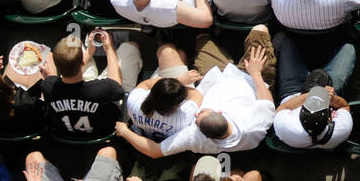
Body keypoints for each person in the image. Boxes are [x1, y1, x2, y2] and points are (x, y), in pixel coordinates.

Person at [114, 41, 276, 158]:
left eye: (198, 116)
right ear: (220, 113)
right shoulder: (187, 119)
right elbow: (268, 104)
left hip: (217, 75)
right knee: (259, 30)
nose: (197, 114)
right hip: (251, 78)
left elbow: (156, 151)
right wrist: (255, 73)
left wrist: (124, 131)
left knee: (193, 44)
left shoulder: (193, 135)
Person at [39, 30, 128, 141]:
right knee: (129, 48)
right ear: (82, 63)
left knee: (71, 47)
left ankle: (86, 54)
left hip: (69, 135)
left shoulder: (48, 85)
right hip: (102, 132)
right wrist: (109, 49)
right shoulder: (103, 89)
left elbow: (61, 76)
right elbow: (116, 83)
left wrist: (89, 53)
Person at [270, 35, 355, 151]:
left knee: (286, 40)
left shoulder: (288, 129)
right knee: (348, 48)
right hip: (329, 91)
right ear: (329, 119)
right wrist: (332, 98)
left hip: (293, 92)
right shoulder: (340, 130)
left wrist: (309, 96)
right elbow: (345, 106)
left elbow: (282, 107)